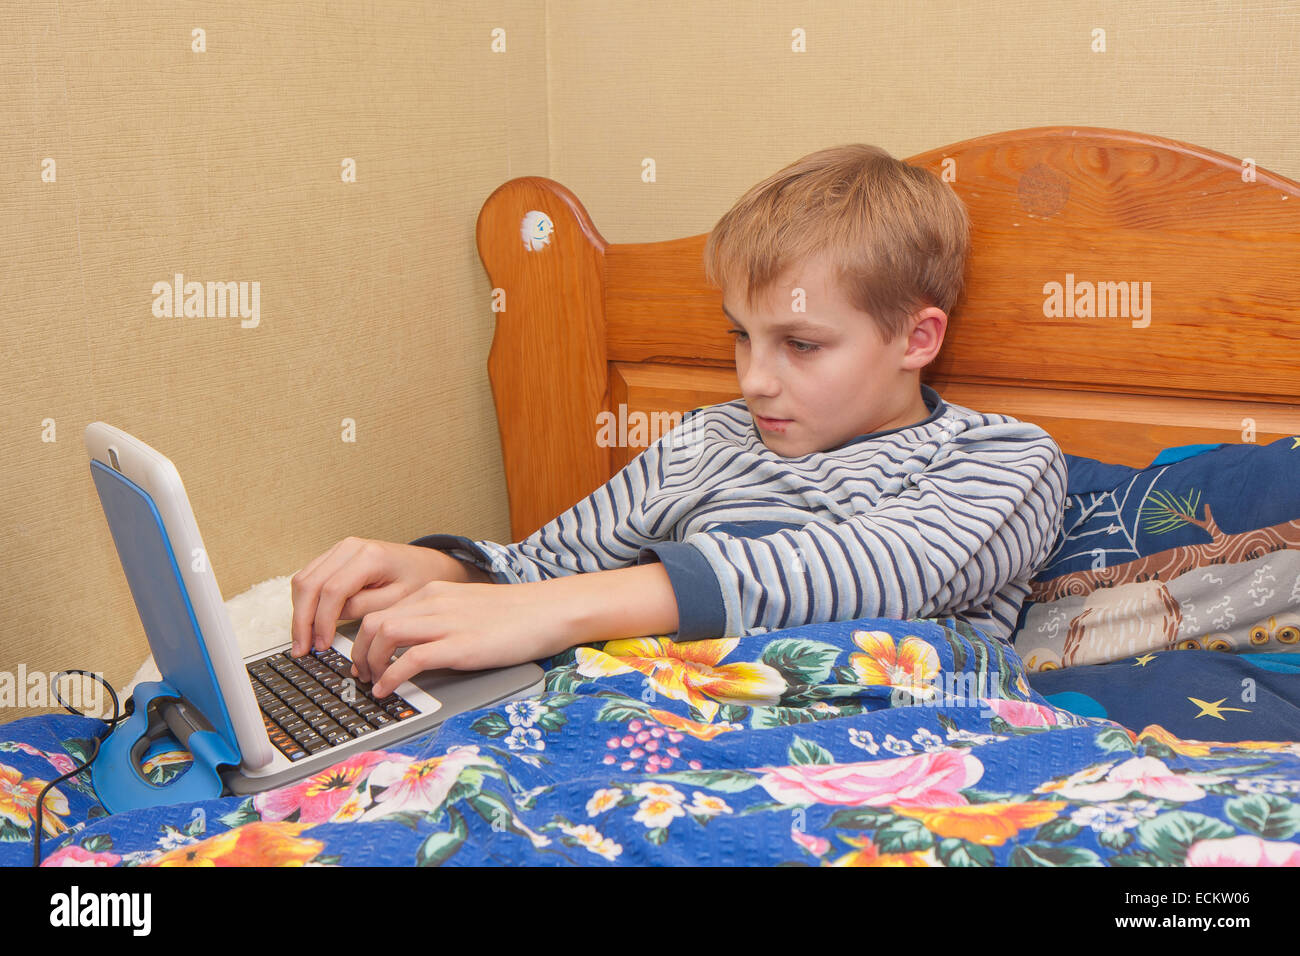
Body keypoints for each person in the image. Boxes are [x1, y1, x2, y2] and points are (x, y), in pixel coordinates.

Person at [290, 144, 1067, 699]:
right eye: (741, 336)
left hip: (862, 746)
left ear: (916, 338)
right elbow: (547, 566)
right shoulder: (709, 439)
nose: (755, 380)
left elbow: (877, 570)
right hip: (639, 718)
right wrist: (438, 570)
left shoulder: (1000, 455)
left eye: (801, 344)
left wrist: (554, 610)